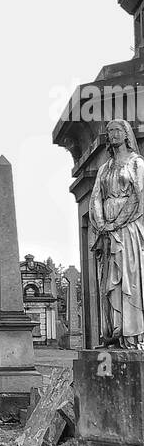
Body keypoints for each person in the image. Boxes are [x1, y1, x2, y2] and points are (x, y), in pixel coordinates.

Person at [88, 119, 144, 349]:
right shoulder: (105, 167)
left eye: (117, 131)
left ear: (127, 134)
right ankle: (114, 333)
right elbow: (95, 198)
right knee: (109, 282)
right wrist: (102, 223)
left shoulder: (137, 163)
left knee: (128, 279)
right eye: (110, 132)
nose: (113, 135)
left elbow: (139, 195)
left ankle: (131, 334)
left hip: (129, 230)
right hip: (108, 232)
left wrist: (117, 222)